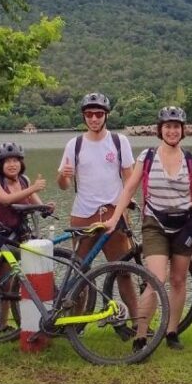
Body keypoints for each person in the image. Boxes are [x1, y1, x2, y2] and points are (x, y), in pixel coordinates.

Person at [110, 106, 192, 351]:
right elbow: (130, 188)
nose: (172, 131)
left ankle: (172, 332)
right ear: (160, 130)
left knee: (178, 280)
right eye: (168, 127)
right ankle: (141, 335)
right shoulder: (148, 157)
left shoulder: (191, 161)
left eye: (176, 127)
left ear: (182, 130)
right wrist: (114, 217)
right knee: (155, 280)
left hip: (184, 225)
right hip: (155, 223)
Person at [0, 142, 52, 334]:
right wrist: (33, 189)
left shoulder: (23, 181)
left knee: (6, 284)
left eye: (15, 160)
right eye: (7, 161)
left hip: (12, 237)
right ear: (0, 164)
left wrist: (47, 207)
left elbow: (35, 203)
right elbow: (5, 200)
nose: (12, 164)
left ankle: (2, 325)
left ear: (21, 163)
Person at [57, 92, 134, 261]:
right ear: (84, 117)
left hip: (113, 212)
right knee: (79, 271)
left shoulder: (119, 141)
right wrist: (64, 176)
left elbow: (130, 180)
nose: (94, 119)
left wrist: (123, 210)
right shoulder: (74, 144)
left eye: (99, 114)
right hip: (83, 214)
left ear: (106, 115)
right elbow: (63, 185)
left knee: (122, 271)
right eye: (89, 114)